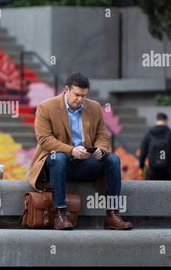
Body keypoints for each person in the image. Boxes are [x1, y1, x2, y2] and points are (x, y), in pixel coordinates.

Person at [26, 72, 133, 231]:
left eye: (84, 96)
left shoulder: (94, 107)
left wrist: (100, 151)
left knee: (113, 160)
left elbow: (102, 135)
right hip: (55, 163)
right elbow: (45, 140)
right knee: (59, 157)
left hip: (84, 162)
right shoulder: (46, 107)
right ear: (66, 89)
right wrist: (71, 151)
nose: (80, 99)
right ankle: (60, 215)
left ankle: (112, 215)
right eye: (77, 95)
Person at [139, 112, 171, 180]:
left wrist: (142, 167)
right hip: (169, 172)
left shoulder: (149, 134)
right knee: (168, 190)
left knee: (152, 190)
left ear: (156, 120)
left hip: (152, 172)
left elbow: (143, 153)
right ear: (166, 120)